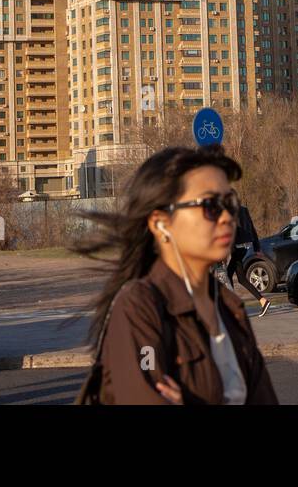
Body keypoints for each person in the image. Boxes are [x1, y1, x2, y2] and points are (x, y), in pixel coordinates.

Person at [73, 145, 278, 405]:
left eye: (230, 203)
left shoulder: (230, 308)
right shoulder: (139, 308)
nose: (227, 217)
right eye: (211, 206)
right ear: (161, 223)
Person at [225, 203, 271, 317]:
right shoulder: (244, 209)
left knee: (229, 275)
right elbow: (252, 227)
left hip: (236, 247)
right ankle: (262, 301)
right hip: (245, 246)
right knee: (239, 278)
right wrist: (257, 247)